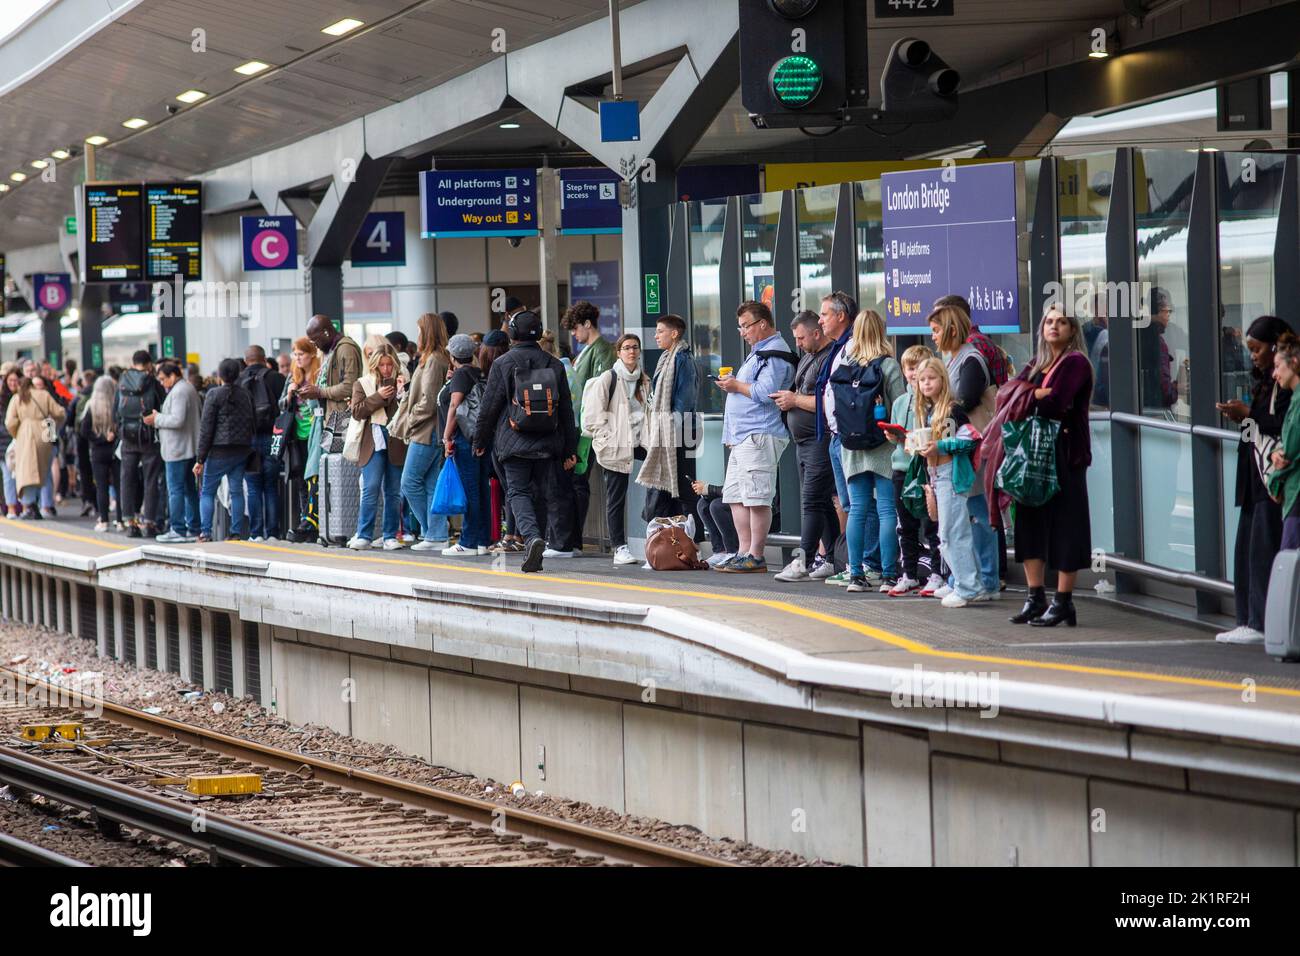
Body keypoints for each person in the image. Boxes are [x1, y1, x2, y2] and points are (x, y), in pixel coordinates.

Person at [1007, 304, 1095, 628]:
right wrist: (1036, 393)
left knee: (1066, 526)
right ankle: (1035, 597)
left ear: (1072, 329)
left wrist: (1031, 395)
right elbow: (1008, 396)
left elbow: (1056, 404)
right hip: (1033, 454)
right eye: (1049, 321)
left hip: (1066, 454)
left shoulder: (1076, 363)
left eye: (1062, 322)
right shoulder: (1037, 363)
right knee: (1030, 522)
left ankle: (1063, 602)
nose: (1054, 326)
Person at [473, 310, 576, 573]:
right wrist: (568, 449)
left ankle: (531, 538)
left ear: (513, 333)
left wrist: (480, 440)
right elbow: (565, 409)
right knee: (540, 495)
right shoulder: (554, 364)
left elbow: (489, 408)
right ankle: (536, 547)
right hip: (548, 442)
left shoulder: (503, 363)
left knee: (517, 492)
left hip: (513, 440)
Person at [1214, 316, 1294, 643]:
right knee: (1247, 548)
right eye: (1250, 350)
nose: (1255, 357)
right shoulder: (1262, 383)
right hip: (1254, 476)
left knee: (1263, 550)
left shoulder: (1285, 389)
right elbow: (1258, 429)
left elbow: (1280, 425)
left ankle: (1260, 622)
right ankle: (1247, 617)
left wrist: (1247, 415)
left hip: (1271, 478)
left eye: (1258, 349)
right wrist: (1243, 418)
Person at [714, 300, 796, 574]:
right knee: (737, 496)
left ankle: (756, 555)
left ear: (762, 324)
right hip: (742, 437)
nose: (742, 332)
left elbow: (765, 392)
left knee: (757, 497)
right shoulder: (758, 352)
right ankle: (743, 551)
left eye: (746, 326)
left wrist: (736, 384)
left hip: (759, 434)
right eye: (740, 327)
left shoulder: (774, 354)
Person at [928, 304, 1000, 599]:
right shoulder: (953, 358)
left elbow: (965, 402)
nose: (932, 336)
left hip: (973, 448)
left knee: (977, 513)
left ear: (952, 330)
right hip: (963, 449)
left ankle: (986, 579)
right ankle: (971, 578)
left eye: (936, 330)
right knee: (970, 512)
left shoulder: (970, 359)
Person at [833, 310, 906, 593]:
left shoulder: (845, 367)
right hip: (883, 445)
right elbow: (900, 406)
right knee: (888, 510)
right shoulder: (888, 366)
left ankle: (856, 575)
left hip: (851, 448)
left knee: (859, 511)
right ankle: (888, 575)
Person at [770, 310, 838, 582]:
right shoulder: (808, 358)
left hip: (819, 440)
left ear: (816, 333)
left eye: (800, 337)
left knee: (811, 500)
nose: (797, 343)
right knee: (819, 502)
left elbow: (827, 402)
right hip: (802, 441)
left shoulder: (830, 358)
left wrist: (794, 400)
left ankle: (804, 560)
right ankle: (832, 558)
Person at [910, 357, 982, 608]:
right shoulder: (931, 410)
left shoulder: (950, 410)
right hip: (938, 474)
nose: (926, 384)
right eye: (921, 380)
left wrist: (938, 446)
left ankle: (966, 586)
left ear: (942, 379)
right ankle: (966, 582)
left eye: (931, 378)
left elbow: (967, 441)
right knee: (950, 532)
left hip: (949, 475)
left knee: (951, 534)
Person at [581, 333, 649, 566]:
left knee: (661, 482)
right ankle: (619, 547)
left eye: (635, 348)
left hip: (642, 443)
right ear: (618, 353)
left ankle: (659, 537)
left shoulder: (644, 380)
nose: (632, 351)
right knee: (616, 498)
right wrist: (606, 438)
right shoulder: (608, 379)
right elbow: (592, 418)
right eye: (627, 348)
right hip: (616, 444)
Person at [884, 345, 945, 595]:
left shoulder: (934, 404)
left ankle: (937, 573)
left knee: (931, 524)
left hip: (923, 468)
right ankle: (908, 573)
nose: (913, 375)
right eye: (909, 369)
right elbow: (898, 436)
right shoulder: (900, 401)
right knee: (905, 525)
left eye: (920, 370)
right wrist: (893, 436)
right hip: (901, 466)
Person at [562, 301, 616, 555]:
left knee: (578, 479)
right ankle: (573, 538)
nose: (574, 334)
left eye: (575, 328)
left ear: (587, 324)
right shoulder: (588, 351)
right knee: (577, 479)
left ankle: (574, 539)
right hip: (582, 424)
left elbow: (599, 387)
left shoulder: (602, 350)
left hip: (589, 426)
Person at [817, 291, 863, 586]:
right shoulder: (837, 348)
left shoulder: (852, 347)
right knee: (847, 503)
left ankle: (865, 564)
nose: (820, 320)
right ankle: (853, 564)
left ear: (841, 316)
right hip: (836, 436)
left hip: (847, 437)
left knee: (859, 503)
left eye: (824, 314)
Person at [638, 313, 701, 525]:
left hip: (679, 434)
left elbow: (684, 402)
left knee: (682, 491)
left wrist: (665, 432)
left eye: (660, 331)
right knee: (665, 490)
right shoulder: (667, 358)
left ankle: (692, 542)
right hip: (667, 433)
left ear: (674, 334)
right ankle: (669, 544)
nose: (656, 336)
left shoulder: (682, 360)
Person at [399, 312, 451, 551]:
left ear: (427, 332)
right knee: (430, 484)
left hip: (425, 430)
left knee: (409, 482)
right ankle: (436, 535)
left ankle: (434, 531)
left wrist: (409, 421)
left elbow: (428, 401)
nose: (417, 334)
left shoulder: (432, 360)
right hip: (430, 430)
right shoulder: (436, 358)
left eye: (420, 330)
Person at [349, 344, 408, 550]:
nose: (386, 369)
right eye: (382, 365)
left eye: (389, 365)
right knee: (370, 487)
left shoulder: (403, 381)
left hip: (396, 440)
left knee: (393, 491)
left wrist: (401, 394)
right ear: (374, 365)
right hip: (372, 441)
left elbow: (408, 412)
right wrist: (378, 396)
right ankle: (364, 534)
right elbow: (356, 411)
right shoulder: (362, 383)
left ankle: (390, 535)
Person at [439, 334, 489, 556]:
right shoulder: (478, 373)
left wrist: (446, 436)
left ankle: (467, 543)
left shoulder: (461, 374)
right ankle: (482, 541)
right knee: (480, 489)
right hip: (480, 438)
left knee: (470, 491)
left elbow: (454, 406)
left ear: (452, 355)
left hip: (463, 438)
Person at [194, 358, 254, 543]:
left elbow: (206, 429)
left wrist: (200, 459)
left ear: (220, 375)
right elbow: (253, 422)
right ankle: (235, 533)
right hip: (241, 450)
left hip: (218, 452)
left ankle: (206, 533)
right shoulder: (245, 394)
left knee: (208, 492)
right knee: (236, 491)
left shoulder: (213, 395)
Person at [144, 362, 201, 544]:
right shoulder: (187, 388)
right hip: (186, 448)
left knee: (175, 490)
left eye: (163, 379)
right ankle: (193, 528)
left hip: (177, 449)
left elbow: (177, 419)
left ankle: (177, 528)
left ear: (172, 376)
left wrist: (156, 418)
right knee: (188, 490)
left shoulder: (179, 392)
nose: (161, 383)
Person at [236, 345, 286, 542]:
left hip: (248, 440)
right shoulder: (276, 378)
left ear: (246, 360)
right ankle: (273, 533)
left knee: (254, 487)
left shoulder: (239, 381)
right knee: (271, 486)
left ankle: (256, 533)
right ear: (264, 359)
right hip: (274, 437)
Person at [115, 350, 166, 538]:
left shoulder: (122, 380)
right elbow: (162, 404)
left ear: (133, 362)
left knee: (127, 479)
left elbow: (116, 410)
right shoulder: (152, 381)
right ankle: (149, 523)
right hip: (148, 436)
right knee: (151, 479)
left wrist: (120, 429)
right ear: (149, 363)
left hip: (127, 437)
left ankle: (130, 523)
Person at [298, 315, 363, 456]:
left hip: (343, 418)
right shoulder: (332, 350)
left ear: (326, 333)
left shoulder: (346, 348)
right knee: (330, 466)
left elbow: (349, 387)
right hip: (333, 417)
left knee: (341, 467)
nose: (314, 344)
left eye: (314, 339)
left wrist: (319, 392)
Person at [5, 374, 65, 520]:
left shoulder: (18, 398)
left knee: (26, 471)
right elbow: (60, 412)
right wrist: (54, 427)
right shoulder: (44, 395)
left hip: (25, 434)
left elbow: (10, 422)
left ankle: (30, 504)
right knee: (44, 471)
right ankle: (44, 504)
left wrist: (17, 433)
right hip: (44, 433)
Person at [282, 337, 322, 542]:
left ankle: (311, 522)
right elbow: (281, 404)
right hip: (296, 435)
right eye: (295, 354)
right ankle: (304, 521)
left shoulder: (319, 375)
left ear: (311, 355)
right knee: (299, 479)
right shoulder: (293, 377)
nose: (297, 358)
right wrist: (289, 394)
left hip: (315, 434)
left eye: (301, 354)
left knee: (313, 477)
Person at [1269, 333, 1300, 553]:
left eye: (1278, 366)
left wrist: (1273, 481)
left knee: (1290, 565)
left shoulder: (1298, 403)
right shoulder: (1294, 398)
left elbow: (1289, 455)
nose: (1274, 373)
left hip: (1296, 493)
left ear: (1294, 363)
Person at [80, 377, 120, 532]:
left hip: (98, 451)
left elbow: (84, 430)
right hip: (115, 450)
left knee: (102, 486)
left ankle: (103, 520)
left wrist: (100, 438)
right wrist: (110, 437)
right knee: (119, 485)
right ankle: (121, 519)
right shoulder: (116, 406)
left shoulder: (91, 406)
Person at [1138, 287, 1179, 413]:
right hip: (1157, 412)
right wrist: (1177, 388)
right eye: (1167, 311)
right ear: (1159, 312)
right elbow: (1165, 391)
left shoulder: (1137, 334)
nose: (1169, 316)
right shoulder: (1157, 342)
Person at [692, 479, 739, 567]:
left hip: (748, 502)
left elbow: (736, 490)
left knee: (717, 505)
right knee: (703, 504)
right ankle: (720, 551)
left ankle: (733, 551)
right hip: (735, 496)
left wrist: (709, 489)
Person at [0, 368, 21, 518]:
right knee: (8, 476)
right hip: (4, 443)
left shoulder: (25, 397)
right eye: (10, 381)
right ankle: (11, 507)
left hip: (22, 442)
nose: (13, 383)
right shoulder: (2, 399)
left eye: (16, 380)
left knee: (21, 476)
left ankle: (27, 506)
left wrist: (51, 441)